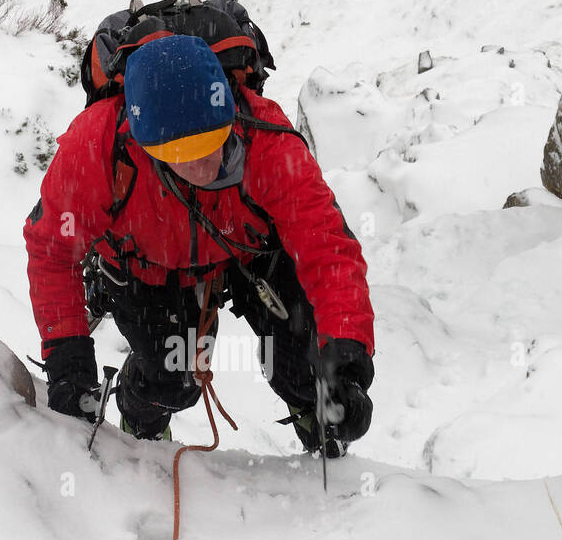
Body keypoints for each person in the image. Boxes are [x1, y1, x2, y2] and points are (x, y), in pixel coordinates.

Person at [24, 31, 375, 455]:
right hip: (147, 266)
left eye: (213, 141)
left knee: (305, 363)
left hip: (247, 251)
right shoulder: (97, 147)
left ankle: (322, 427)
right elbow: (53, 251)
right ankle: (141, 433)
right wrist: (68, 359)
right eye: (181, 152)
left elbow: (328, 248)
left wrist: (347, 358)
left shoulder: (268, 141)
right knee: (171, 378)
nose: (204, 165)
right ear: (145, 143)